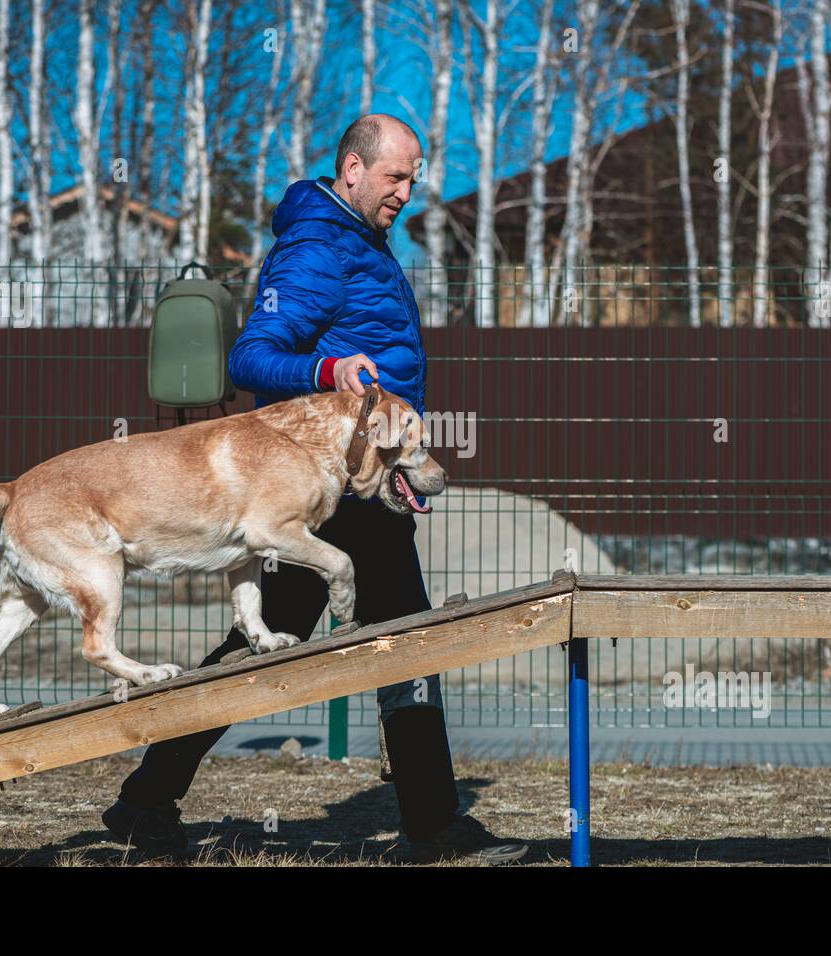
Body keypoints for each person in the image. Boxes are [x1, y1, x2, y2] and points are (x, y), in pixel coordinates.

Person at [103, 114, 528, 865]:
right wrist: (326, 372)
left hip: (360, 486)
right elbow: (252, 357)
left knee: (270, 649)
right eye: (396, 176)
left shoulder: (359, 243)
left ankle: (146, 801)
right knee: (395, 645)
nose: (408, 191)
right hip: (332, 493)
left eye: (414, 177)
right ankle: (434, 827)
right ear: (353, 169)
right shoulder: (318, 248)